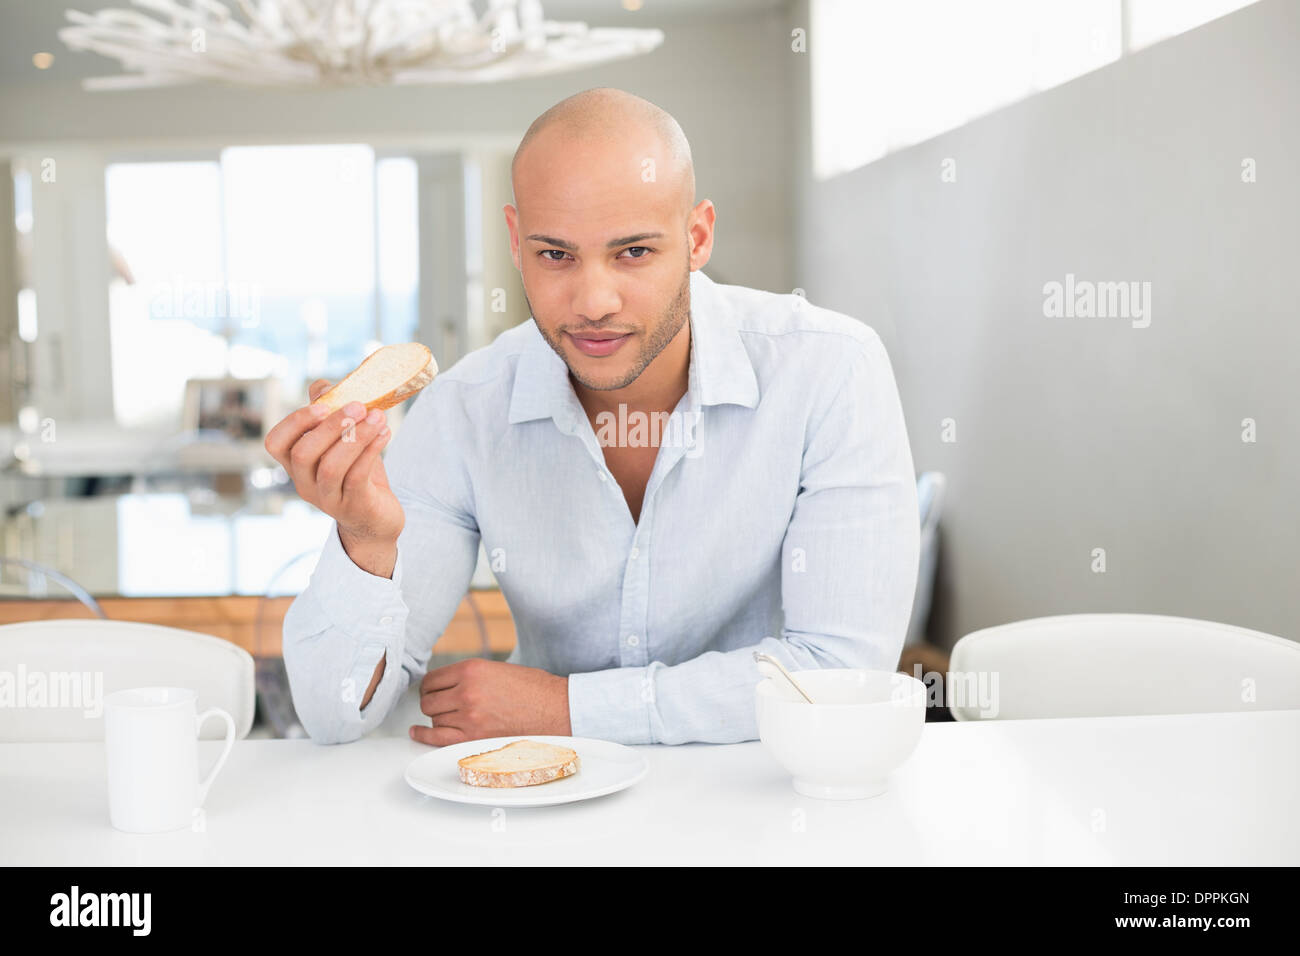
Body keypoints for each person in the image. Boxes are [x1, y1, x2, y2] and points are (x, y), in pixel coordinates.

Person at [265, 87, 919, 746]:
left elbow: (840, 677)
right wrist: (367, 546)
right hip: (547, 815)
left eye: (633, 252)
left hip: (770, 813)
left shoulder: (831, 371)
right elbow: (333, 714)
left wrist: (567, 709)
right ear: (517, 243)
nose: (594, 300)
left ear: (696, 238)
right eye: (556, 255)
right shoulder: (464, 411)